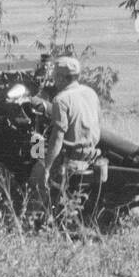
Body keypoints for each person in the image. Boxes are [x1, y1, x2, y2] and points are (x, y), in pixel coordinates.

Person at [29, 56, 101, 212]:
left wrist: (46, 169)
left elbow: (57, 138)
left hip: (69, 160)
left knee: (36, 171)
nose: (53, 80)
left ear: (60, 78)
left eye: (55, 76)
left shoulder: (61, 100)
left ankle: (36, 218)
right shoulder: (90, 93)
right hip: (90, 155)